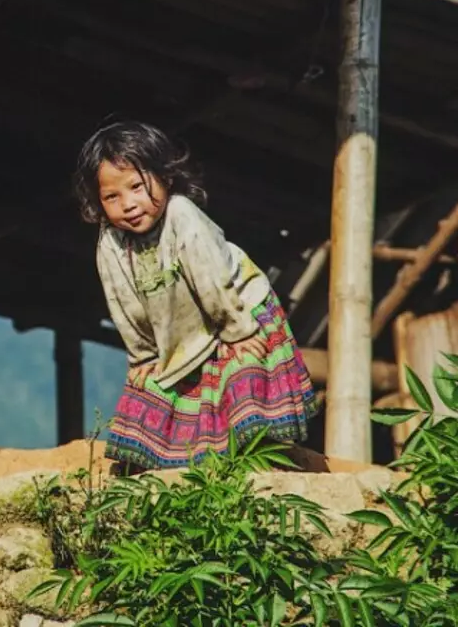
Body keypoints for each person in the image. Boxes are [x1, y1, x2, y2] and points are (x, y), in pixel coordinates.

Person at [72, 121, 319, 472]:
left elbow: (212, 280)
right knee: (159, 389)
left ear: (165, 178)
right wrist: (142, 357)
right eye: (112, 196)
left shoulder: (182, 216)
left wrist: (239, 331)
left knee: (242, 386)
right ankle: (192, 466)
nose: (128, 204)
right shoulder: (111, 242)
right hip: (184, 332)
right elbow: (122, 301)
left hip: (235, 308)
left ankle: (262, 464)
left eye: (137, 187)